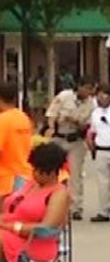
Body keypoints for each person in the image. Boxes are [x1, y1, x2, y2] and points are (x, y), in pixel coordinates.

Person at [45, 75, 95, 220]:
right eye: (87, 88)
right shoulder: (64, 96)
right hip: (58, 138)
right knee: (52, 172)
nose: (89, 92)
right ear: (79, 86)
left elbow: (87, 125)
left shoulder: (91, 104)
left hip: (75, 140)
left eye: (91, 89)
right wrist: (51, 128)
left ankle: (75, 207)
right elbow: (52, 114)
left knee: (75, 174)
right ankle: (51, 203)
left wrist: (74, 120)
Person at [0, 81, 33, 199]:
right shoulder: (24, 118)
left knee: (1, 214)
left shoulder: (1, 120)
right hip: (26, 174)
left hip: (6, 178)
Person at [88, 86, 110, 223]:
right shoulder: (95, 113)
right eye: (100, 96)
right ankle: (104, 210)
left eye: (105, 95)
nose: (102, 98)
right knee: (103, 183)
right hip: (101, 149)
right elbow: (92, 130)